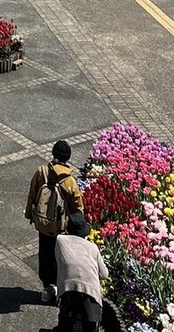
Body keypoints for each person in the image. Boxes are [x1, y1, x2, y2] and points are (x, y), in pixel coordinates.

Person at [25, 139, 84, 303]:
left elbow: (32, 193)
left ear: (53, 154)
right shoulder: (69, 180)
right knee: (61, 257)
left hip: (43, 224)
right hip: (60, 227)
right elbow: (77, 205)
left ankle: (46, 288)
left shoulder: (41, 171)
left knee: (45, 254)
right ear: (67, 157)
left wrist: (30, 214)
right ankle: (59, 289)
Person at [51, 213, 108, 332]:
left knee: (65, 324)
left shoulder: (60, 241)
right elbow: (104, 275)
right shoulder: (92, 248)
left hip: (68, 288)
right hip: (90, 291)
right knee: (90, 326)